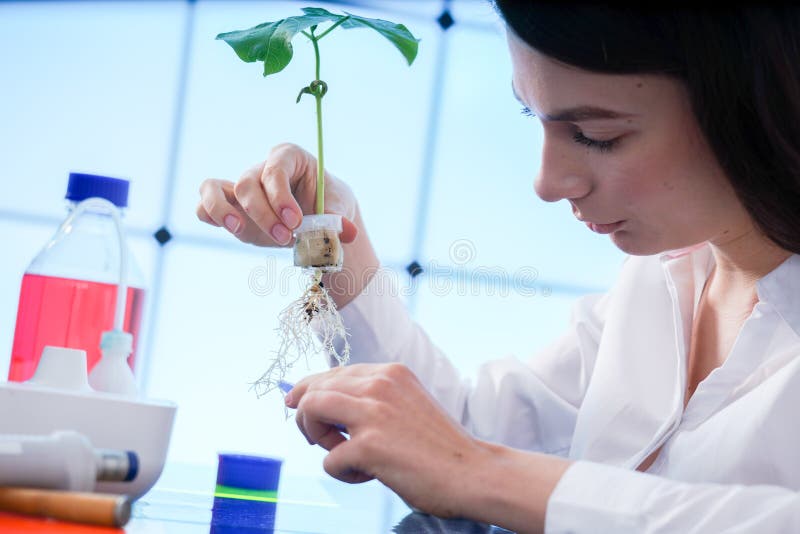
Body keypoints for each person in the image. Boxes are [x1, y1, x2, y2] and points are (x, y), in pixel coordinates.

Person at [197, 3, 800, 533]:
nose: (545, 183)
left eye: (595, 134)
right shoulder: (659, 287)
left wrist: (479, 472)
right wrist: (330, 236)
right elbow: (461, 437)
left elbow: (480, 468)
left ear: (752, 98)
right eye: (531, 118)